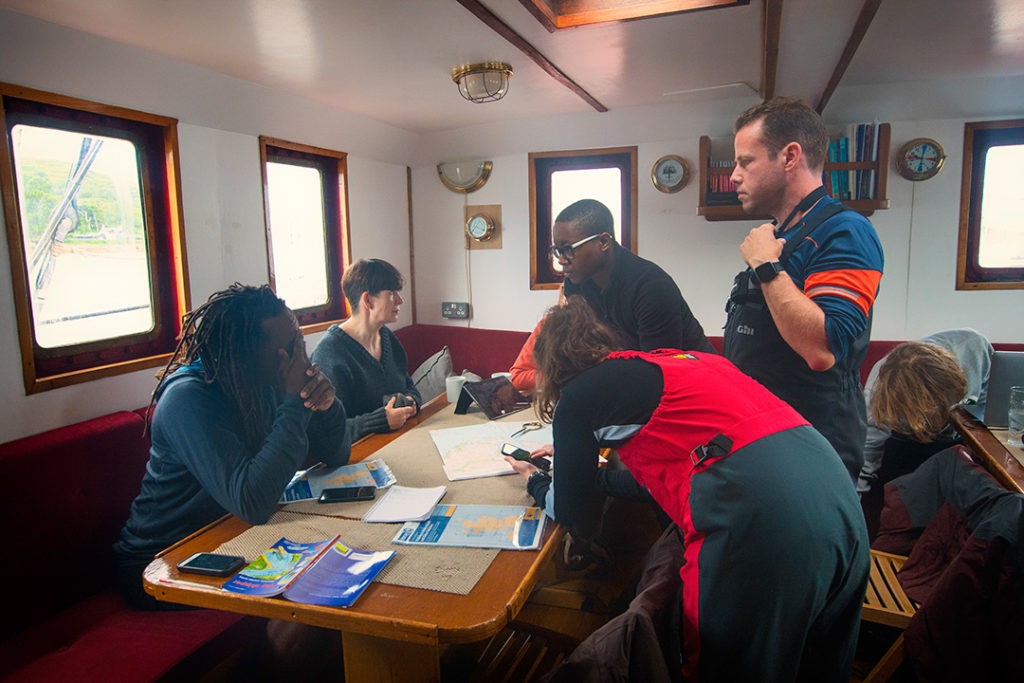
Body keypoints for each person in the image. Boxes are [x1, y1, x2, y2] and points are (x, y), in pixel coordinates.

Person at [506, 298, 869, 682]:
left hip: (761, 522)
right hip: (836, 496)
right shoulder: (684, 361)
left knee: (723, 669)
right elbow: (672, 474)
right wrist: (589, 475)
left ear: (551, 367)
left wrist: (537, 480)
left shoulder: (578, 395)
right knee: (817, 665)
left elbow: (572, 512)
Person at [114, 283, 349, 607]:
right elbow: (252, 501)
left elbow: (336, 455)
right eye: (290, 346)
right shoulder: (188, 399)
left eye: (299, 340)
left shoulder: (264, 380)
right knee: (313, 599)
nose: (300, 354)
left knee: (343, 565)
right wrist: (296, 402)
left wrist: (325, 404)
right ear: (247, 355)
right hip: (164, 559)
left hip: (232, 533)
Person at [723, 97, 884, 483]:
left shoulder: (846, 231)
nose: (733, 175)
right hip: (763, 437)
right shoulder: (782, 234)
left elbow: (821, 349)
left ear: (790, 156)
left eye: (746, 161)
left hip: (810, 450)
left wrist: (765, 266)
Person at [554, 198, 714, 353]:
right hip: (631, 372)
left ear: (603, 242)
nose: (561, 260)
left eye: (568, 249)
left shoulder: (651, 287)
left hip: (692, 374)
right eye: (558, 251)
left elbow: (658, 369)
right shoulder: (576, 283)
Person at [857, 328, 993, 497]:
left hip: (964, 439)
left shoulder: (974, 347)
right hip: (905, 446)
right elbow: (868, 451)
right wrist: (854, 505)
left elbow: (988, 407)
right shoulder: (879, 390)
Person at [311, 258, 421, 441]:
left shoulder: (387, 337)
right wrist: (379, 421)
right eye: (392, 293)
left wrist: (411, 402)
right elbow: (324, 431)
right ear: (368, 300)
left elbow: (409, 387)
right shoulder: (330, 353)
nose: (400, 300)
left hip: (398, 440)